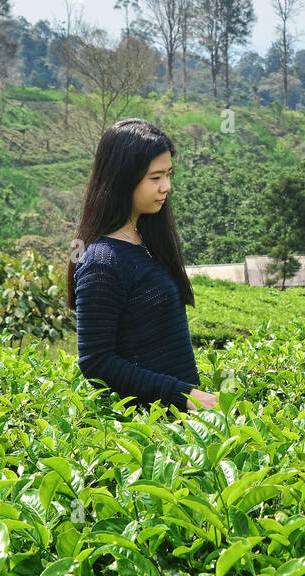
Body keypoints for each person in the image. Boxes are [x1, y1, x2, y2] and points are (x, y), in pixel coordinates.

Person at [65, 118, 221, 417]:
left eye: (168, 174)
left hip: (180, 422)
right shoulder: (101, 261)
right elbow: (96, 361)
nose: (167, 187)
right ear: (122, 179)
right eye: (155, 177)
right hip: (149, 428)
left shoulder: (146, 240)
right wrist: (180, 393)